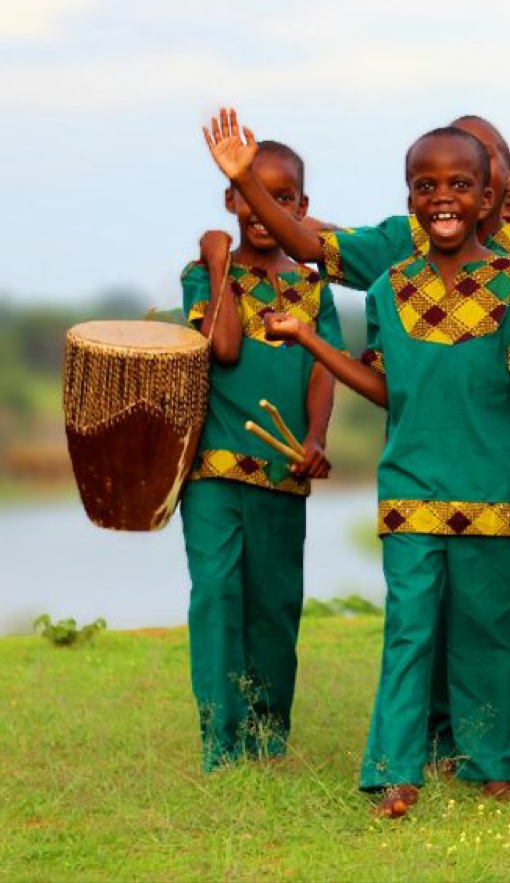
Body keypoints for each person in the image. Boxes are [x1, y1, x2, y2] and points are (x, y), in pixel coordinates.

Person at [257, 126, 510, 818]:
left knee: (493, 628)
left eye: (459, 184)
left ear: (489, 196)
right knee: (410, 632)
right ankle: (396, 771)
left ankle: (496, 760)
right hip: (413, 489)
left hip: (497, 484)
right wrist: (309, 337)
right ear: (410, 198)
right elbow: (386, 390)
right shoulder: (390, 288)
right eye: (426, 186)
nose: (443, 198)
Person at [179, 139, 338, 772]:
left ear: (301, 206)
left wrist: (317, 438)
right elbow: (223, 348)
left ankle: (268, 739)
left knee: (275, 606)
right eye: (250, 196)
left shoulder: (311, 285)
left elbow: (323, 370)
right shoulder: (203, 274)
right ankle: (221, 745)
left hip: (283, 469)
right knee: (217, 597)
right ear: (230, 199)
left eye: (281, 198)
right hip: (214, 472)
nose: (261, 209)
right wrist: (219, 267)